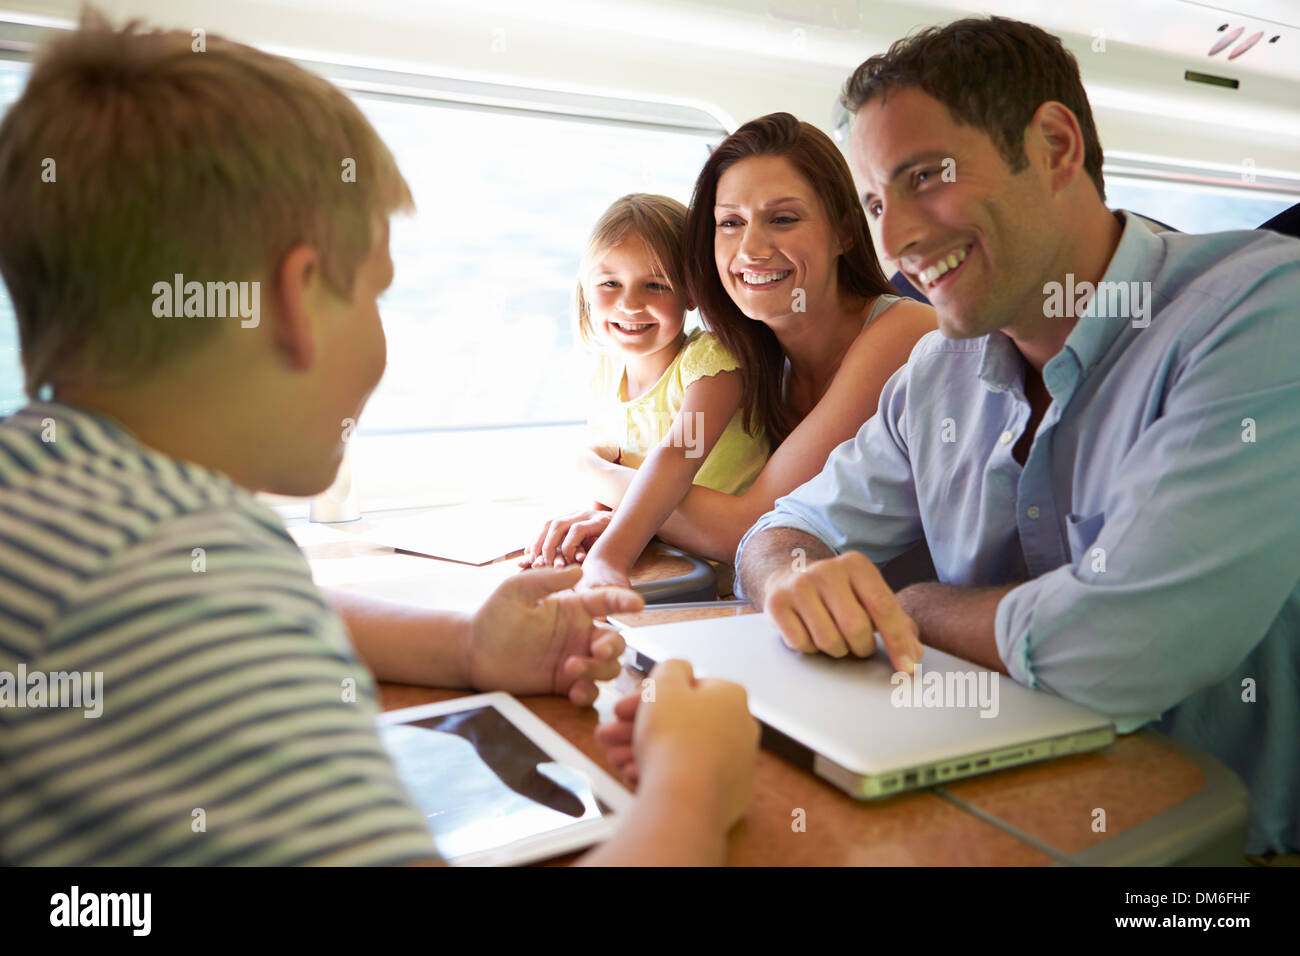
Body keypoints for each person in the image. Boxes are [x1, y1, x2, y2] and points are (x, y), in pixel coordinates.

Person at [0, 13, 757, 866]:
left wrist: (467, 643)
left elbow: (266, 596)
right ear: (297, 300)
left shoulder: (69, 499)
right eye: (378, 295)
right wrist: (692, 787)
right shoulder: (181, 579)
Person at [733, 16, 1300, 857]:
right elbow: (780, 531)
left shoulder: (1259, 314)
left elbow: (1124, 649)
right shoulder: (935, 373)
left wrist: (916, 608)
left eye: (927, 177)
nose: (894, 240)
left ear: (1055, 145)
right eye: (877, 202)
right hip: (989, 807)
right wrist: (793, 577)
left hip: (1221, 855)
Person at [524, 113, 936, 573]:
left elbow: (743, 526)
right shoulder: (749, 356)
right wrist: (624, 516)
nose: (752, 249)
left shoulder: (905, 332)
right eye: (731, 222)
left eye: (782, 218)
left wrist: (596, 473)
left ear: (843, 232)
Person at [521, 194, 769, 590]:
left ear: (691, 292)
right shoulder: (604, 371)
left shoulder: (710, 365)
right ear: (586, 288)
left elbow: (678, 455)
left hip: (725, 577)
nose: (630, 304)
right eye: (610, 283)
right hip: (659, 551)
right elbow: (615, 465)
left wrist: (608, 558)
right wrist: (596, 517)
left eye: (655, 284)